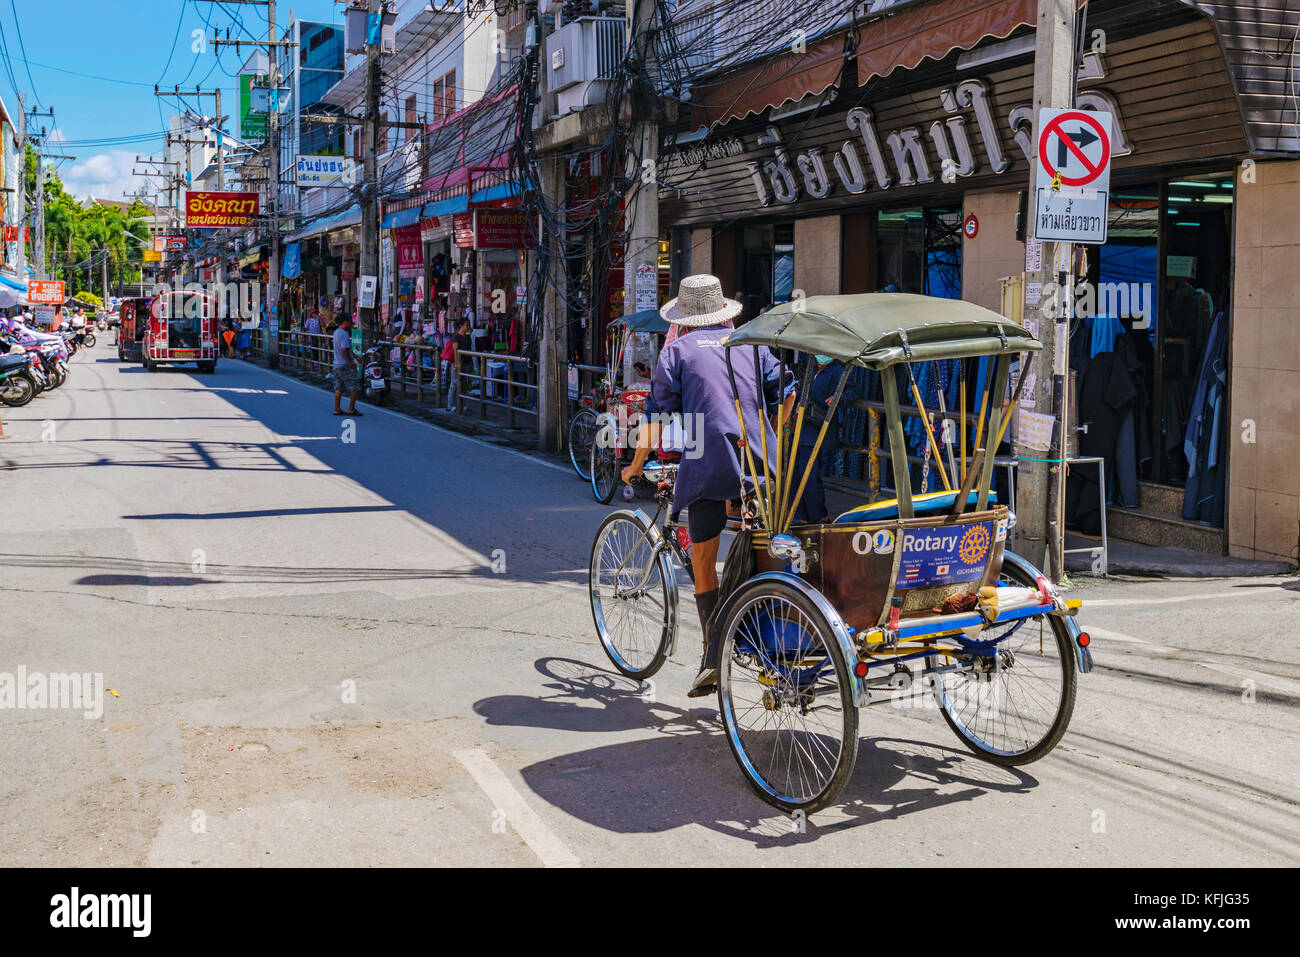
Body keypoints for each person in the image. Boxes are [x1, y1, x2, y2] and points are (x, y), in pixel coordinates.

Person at [621, 275, 794, 697]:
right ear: (723, 313)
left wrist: (634, 465)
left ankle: (710, 650)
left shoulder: (676, 351)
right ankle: (768, 628)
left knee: (703, 557)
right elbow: (788, 393)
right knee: (762, 543)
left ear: (684, 318)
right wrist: (769, 435)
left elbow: (656, 417)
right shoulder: (751, 344)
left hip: (709, 466)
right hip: (760, 465)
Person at [331, 315, 362, 416]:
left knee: (338, 387)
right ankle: (351, 409)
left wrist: (356, 357)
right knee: (354, 386)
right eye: (350, 322)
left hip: (336, 364)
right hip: (344, 365)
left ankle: (337, 409)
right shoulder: (344, 334)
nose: (351, 324)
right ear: (345, 322)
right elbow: (344, 350)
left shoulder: (336, 332)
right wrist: (351, 361)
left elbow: (347, 349)